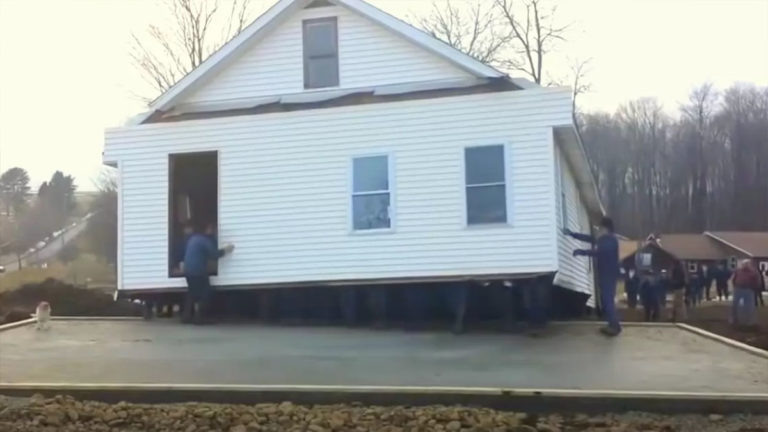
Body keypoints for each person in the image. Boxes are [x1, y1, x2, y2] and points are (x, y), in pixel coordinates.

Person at [565, 216, 621, 336]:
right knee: (605, 300)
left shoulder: (611, 240)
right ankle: (612, 324)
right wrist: (573, 234)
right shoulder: (603, 239)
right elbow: (589, 238)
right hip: (604, 273)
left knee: (607, 300)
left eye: (600, 228)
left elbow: (600, 252)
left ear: (605, 228)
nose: (598, 230)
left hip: (609, 274)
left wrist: (583, 252)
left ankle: (615, 326)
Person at [182, 221, 235, 324]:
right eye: (212, 229)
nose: (213, 231)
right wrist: (226, 250)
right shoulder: (204, 240)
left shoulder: (193, 239)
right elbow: (214, 255)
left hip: (188, 271)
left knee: (192, 293)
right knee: (206, 293)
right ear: (207, 229)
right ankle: (200, 318)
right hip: (198, 271)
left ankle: (186, 317)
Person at [730, 259, 759, 327]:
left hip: (748, 289)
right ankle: (734, 319)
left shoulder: (754, 272)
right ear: (742, 265)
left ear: (750, 265)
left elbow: (757, 280)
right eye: (744, 264)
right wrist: (735, 286)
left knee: (750, 306)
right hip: (738, 289)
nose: (745, 265)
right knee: (735, 304)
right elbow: (733, 279)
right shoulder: (737, 271)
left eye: (747, 264)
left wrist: (754, 288)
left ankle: (750, 321)